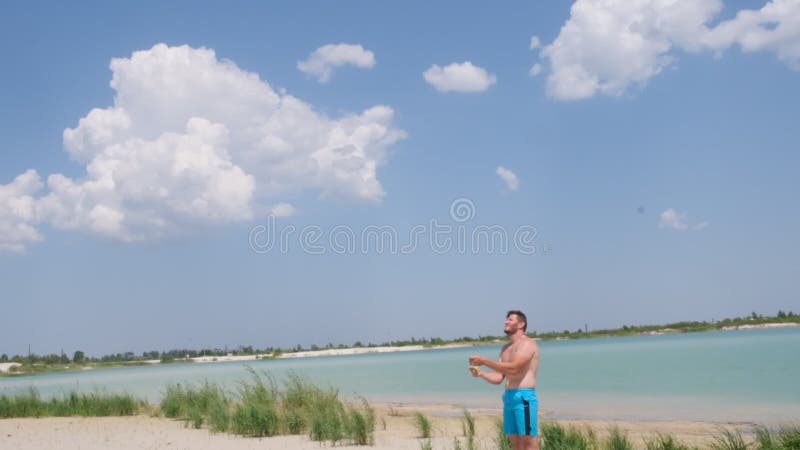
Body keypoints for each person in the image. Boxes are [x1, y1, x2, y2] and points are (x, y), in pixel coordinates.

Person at [470, 310, 540, 450]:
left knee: (528, 441)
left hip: (524, 397)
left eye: (510, 319)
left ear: (521, 324)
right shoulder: (505, 349)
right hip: (509, 398)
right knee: (515, 442)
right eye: (506, 319)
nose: (506, 321)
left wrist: (484, 361)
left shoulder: (528, 344)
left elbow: (514, 369)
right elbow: (499, 377)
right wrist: (481, 374)